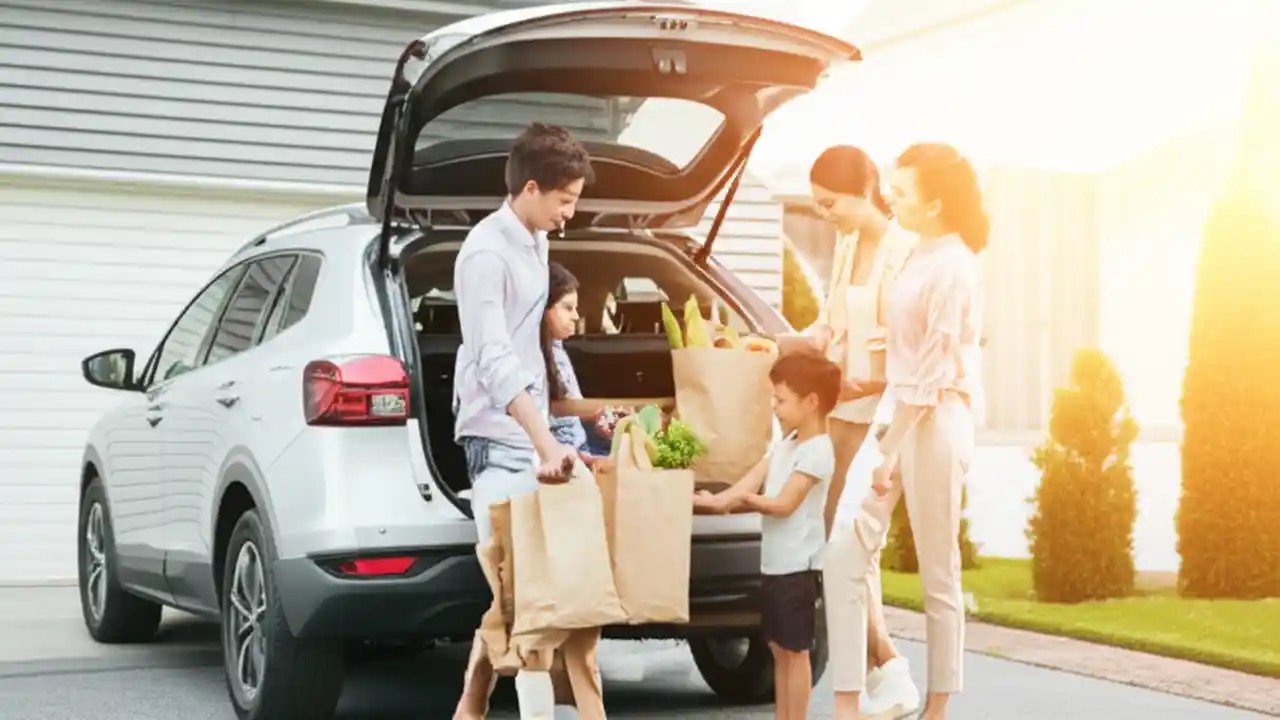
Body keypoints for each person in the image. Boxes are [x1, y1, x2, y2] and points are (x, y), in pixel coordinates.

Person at [833, 142, 988, 720]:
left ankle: (938, 708)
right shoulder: (915, 254)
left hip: (934, 421)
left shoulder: (955, 266)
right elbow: (902, 347)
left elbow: (935, 370)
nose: (888, 198)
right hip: (895, 410)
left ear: (936, 203)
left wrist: (887, 452)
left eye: (900, 192)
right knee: (844, 548)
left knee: (938, 569)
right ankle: (849, 699)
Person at [451, 122, 598, 720]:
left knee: (546, 593)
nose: (569, 213)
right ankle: (484, 704)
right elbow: (493, 358)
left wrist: (565, 436)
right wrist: (544, 445)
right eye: (565, 201)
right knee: (519, 598)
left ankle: (471, 706)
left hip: (537, 437)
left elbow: (533, 348)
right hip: (498, 439)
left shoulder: (536, 240)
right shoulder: (485, 254)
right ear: (531, 188)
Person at [805, 145, 921, 718]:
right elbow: (831, 321)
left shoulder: (906, 250)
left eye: (830, 202)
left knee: (849, 546)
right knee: (845, 547)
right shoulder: (847, 243)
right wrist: (800, 344)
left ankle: (886, 669)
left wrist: (861, 385)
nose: (825, 213)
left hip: (882, 412)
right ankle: (884, 674)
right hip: (843, 409)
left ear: (864, 188)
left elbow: (906, 350)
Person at [693, 349, 842, 720]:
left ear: (811, 402)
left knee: (796, 650)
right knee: (778, 648)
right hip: (775, 565)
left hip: (797, 569)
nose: (774, 407)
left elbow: (784, 504)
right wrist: (709, 500)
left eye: (781, 399)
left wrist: (744, 500)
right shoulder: (786, 446)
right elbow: (744, 484)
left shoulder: (818, 451)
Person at [541, 261, 616, 461]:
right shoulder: (534, 361)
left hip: (581, 447)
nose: (576, 316)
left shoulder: (556, 349)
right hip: (568, 458)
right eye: (567, 308)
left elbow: (570, 410)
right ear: (543, 308)